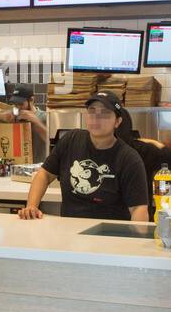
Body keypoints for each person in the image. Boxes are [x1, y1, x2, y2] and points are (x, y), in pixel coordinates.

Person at [18, 91, 149, 222]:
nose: (96, 118)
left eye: (105, 113)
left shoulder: (129, 159)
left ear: (117, 122)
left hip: (109, 235)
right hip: (70, 232)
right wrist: (31, 206)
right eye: (92, 112)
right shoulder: (71, 140)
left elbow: (139, 209)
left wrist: (135, 239)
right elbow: (44, 175)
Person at [114, 108, 171, 221]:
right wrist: (152, 141)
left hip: (102, 219)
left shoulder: (95, 150)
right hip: (138, 218)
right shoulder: (141, 148)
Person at [4, 83, 49, 163]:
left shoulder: (45, 117)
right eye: (15, 104)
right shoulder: (15, 118)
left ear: (31, 100)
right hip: (18, 169)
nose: (17, 108)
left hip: (39, 169)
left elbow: (54, 143)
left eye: (21, 104)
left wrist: (36, 122)